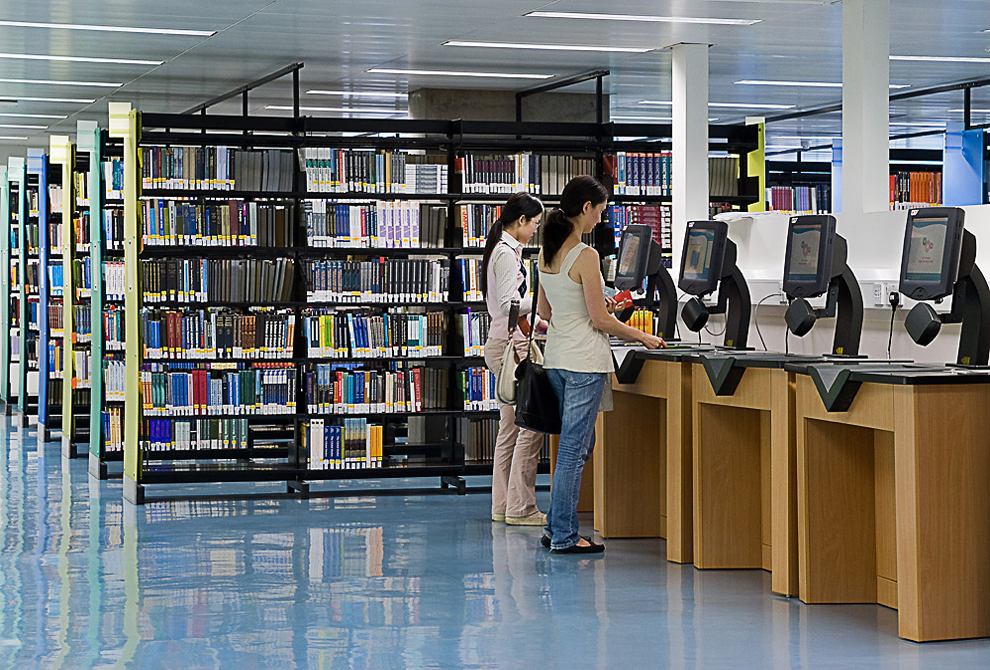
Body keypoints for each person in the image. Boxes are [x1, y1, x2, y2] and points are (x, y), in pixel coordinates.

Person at [537, 176, 665, 554]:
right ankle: (562, 535)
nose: (601, 219)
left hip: (558, 359)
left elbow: (545, 311)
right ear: (585, 209)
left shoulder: (547, 253)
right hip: (584, 362)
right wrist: (642, 336)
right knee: (574, 451)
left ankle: (554, 525)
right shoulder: (586, 256)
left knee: (575, 446)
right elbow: (599, 321)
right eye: (600, 211)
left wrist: (595, 308)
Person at [482, 192, 547, 526]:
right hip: (513, 348)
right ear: (521, 221)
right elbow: (510, 304)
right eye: (535, 222)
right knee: (530, 426)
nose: (536, 229)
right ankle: (521, 507)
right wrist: (541, 300)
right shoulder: (507, 255)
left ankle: (502, 504)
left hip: (500, 343)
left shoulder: (500, 250)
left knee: (509, 427)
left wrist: (539, 321)